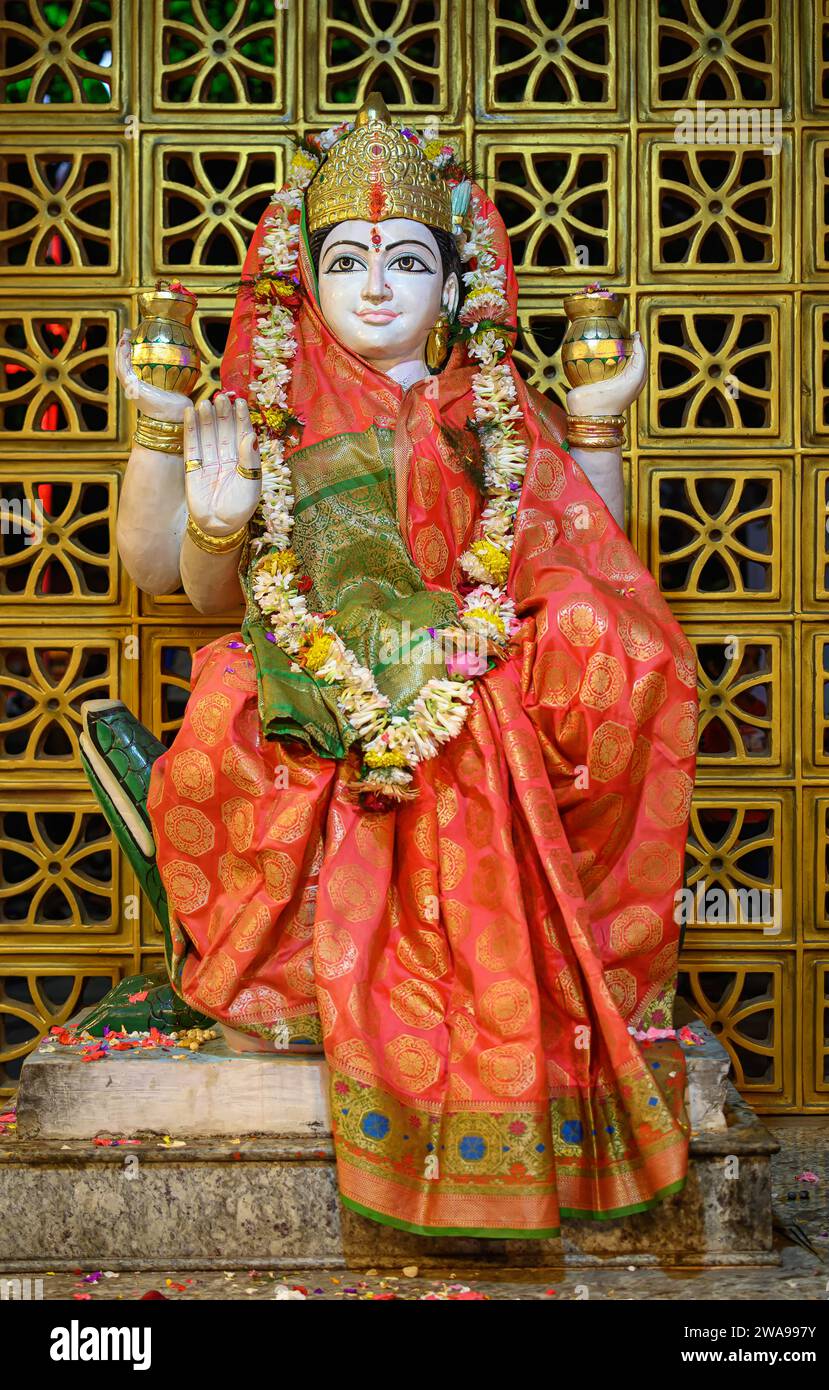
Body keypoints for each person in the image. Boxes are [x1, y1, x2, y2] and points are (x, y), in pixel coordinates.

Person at [112, 96, 698, 1237]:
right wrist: (213, 509)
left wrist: (592, 429)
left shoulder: (490, 407)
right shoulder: (263, 402)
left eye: (404, 259)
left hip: (472, 652)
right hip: (310, 668)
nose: (375, 284)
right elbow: (174, 583)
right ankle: (306, 985)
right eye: (347, 260)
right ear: (306, 277)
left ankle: (533, 971)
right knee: (229, 704)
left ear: (451, 282)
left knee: (612, 646)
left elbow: (580, 553)